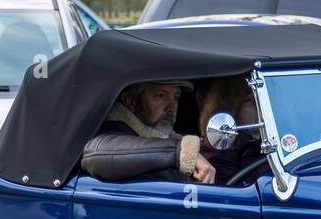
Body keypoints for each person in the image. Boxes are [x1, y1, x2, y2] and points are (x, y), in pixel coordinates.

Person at [80, 81, 216, 183]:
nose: (172, 107)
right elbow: (96, 154)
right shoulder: (113, 131)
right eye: (161, 96)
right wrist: (181, 152)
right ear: (131, 101)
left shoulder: (169, 138)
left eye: (176, 97)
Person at [197, 75, 263, 184]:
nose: (259, 106)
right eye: (249, 100)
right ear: (230, 105)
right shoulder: (218, 152)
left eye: (261, 98)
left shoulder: (272, 141)